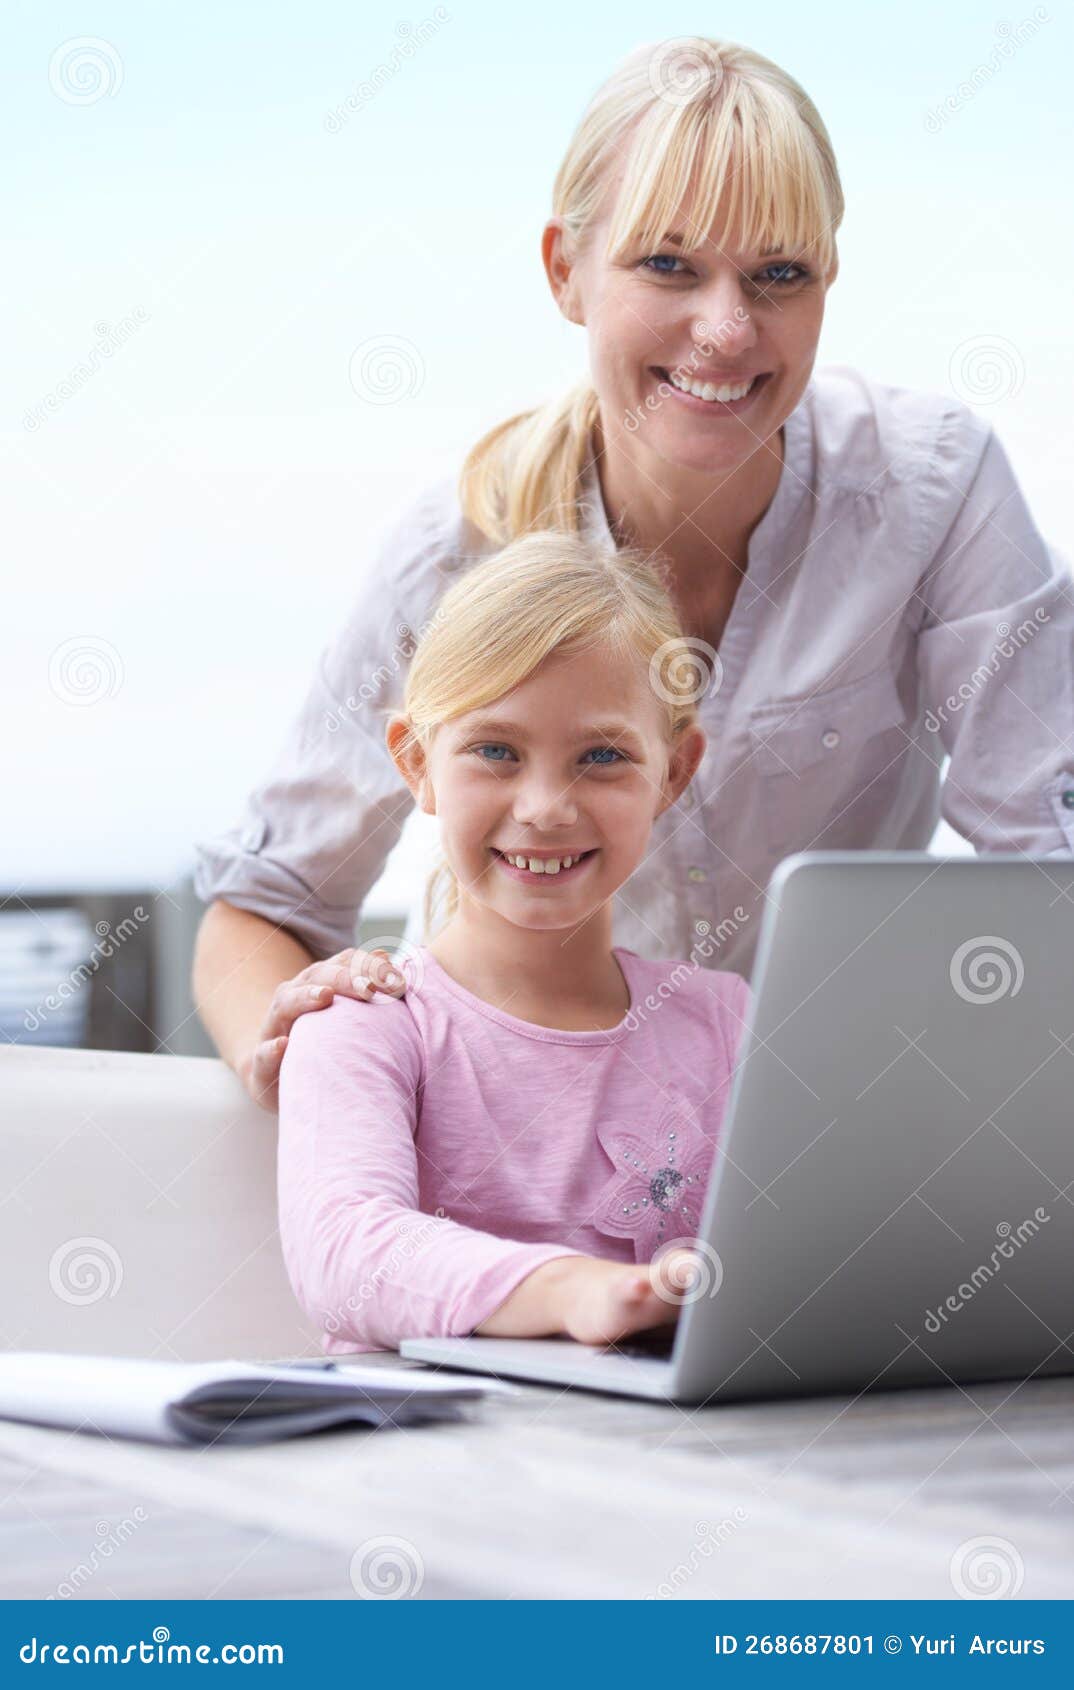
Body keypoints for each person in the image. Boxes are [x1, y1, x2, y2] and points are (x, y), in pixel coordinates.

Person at [192, 36, 1073, 1112]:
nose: (727, 329)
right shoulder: (453, 552)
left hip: (818, 1138)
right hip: (507, 1136)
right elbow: (262, 908)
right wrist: (324, 1090)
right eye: (669, 265)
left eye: (779, 274)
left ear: (827, 284)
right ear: (566, 270)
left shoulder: (938, 492)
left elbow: (1050, 874)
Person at [277, 531, 751, 1351]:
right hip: (429, 1461)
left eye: (601, 757)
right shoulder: (365, 1022)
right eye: (495, 751)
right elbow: (343, 1254)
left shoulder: (726, 1020)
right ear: (416, 762)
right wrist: (570, 1289)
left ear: (672, 775)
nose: (544, 807)